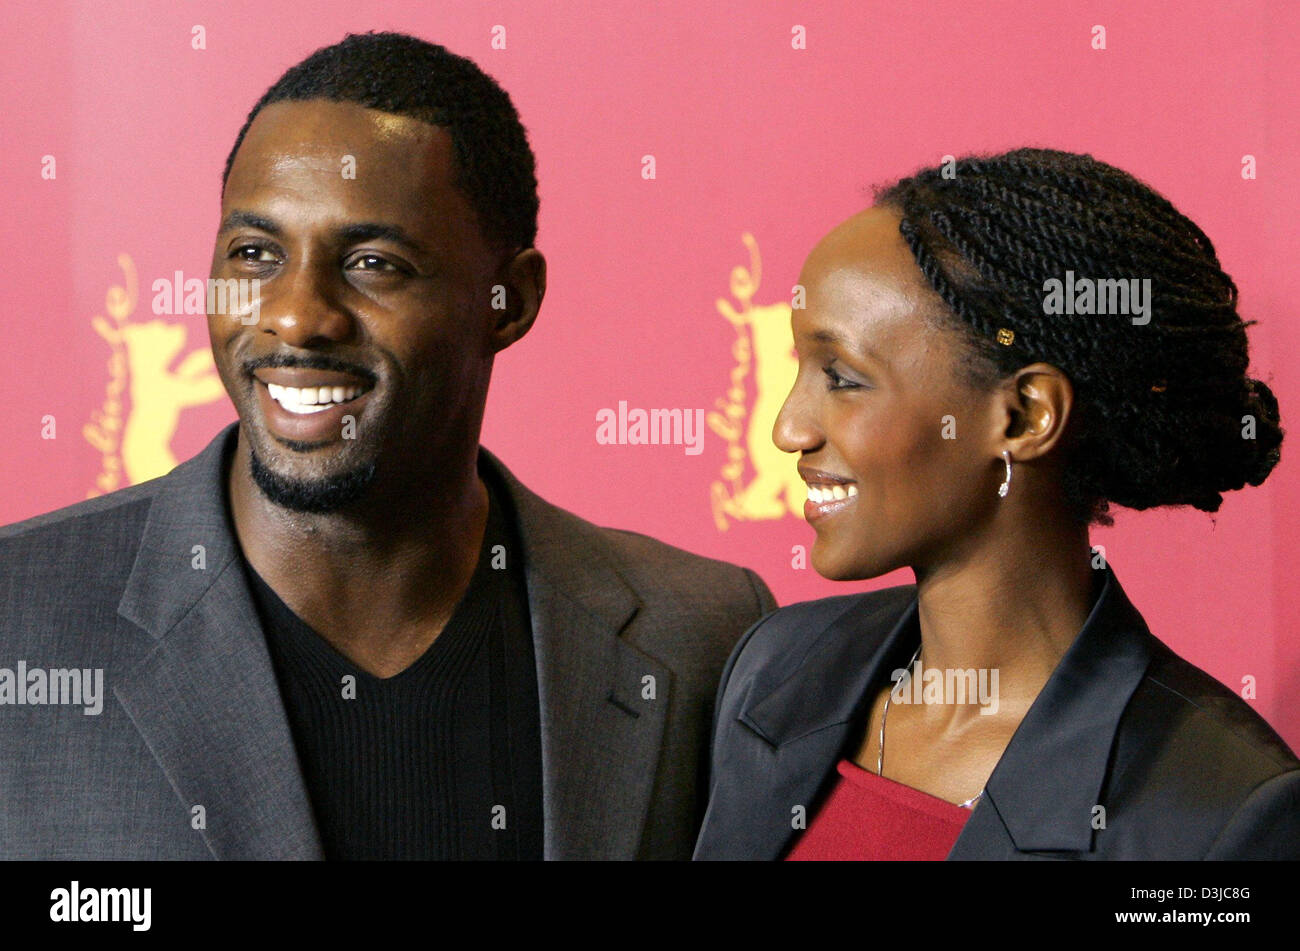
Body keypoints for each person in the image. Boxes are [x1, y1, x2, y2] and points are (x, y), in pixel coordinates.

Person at [0, 31, 774, 861]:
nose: (296, 315)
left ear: (509, 300)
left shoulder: (703, 638)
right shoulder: (19, 614)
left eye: (373, 263)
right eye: (256, 254)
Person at [693, 148, 1299, 860]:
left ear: (1023, 417)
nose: (788, 427)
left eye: (843, 377)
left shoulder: (1218, 812)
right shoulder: (775, 670)